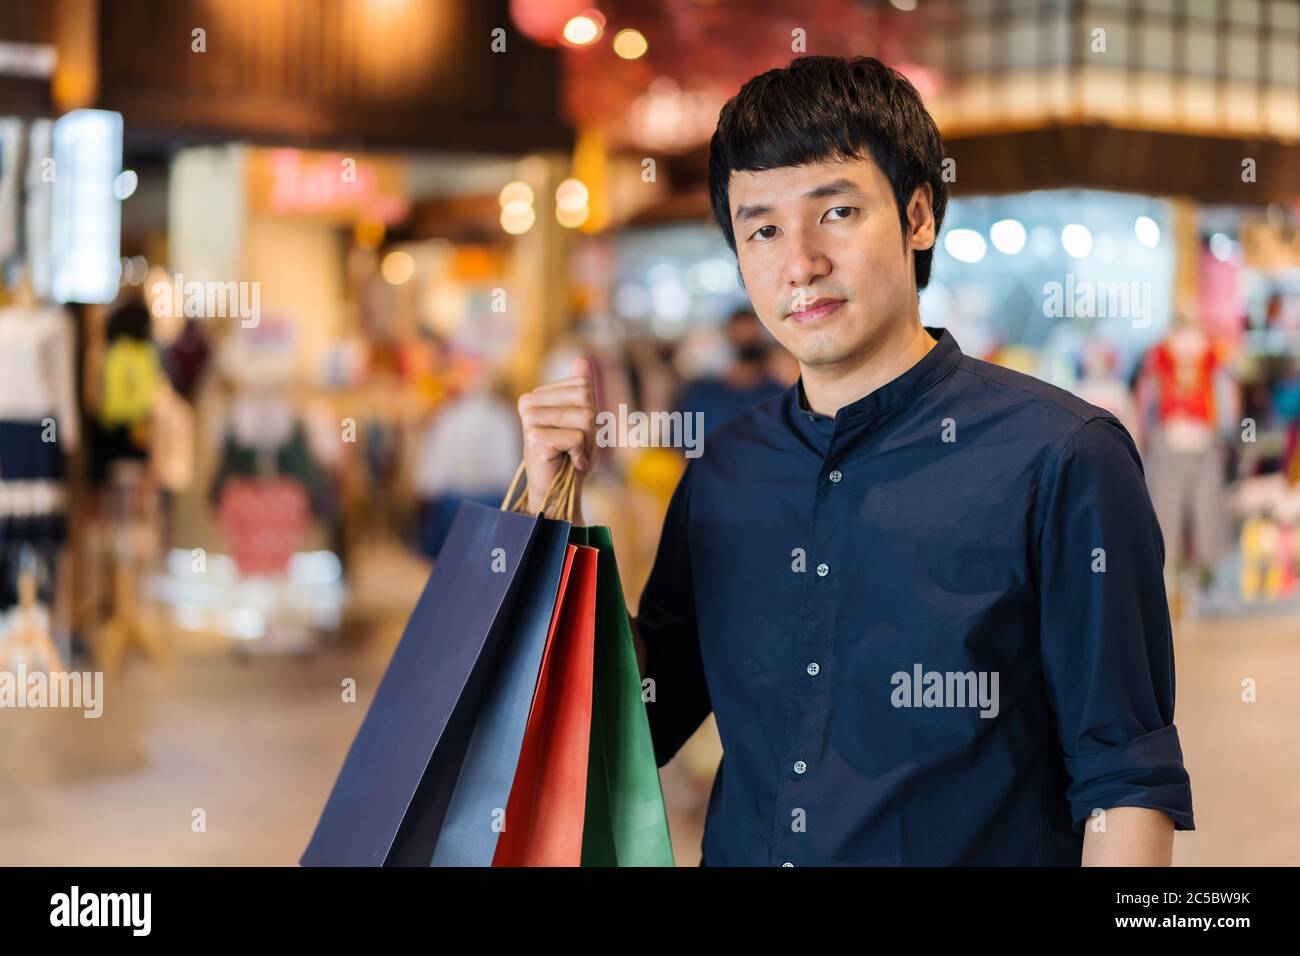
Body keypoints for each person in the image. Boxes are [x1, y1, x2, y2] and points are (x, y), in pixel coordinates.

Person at [516, 55, 1193, 866]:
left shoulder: (1062, 457)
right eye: (761, 229)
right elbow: (640, 722)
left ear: (917, 216)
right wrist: (546, 516)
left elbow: (1124, 781)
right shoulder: (726, 470)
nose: (799, 263)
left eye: (835, 211)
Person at [675, 308, 787, 441]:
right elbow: (683, 447)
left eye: (751, 333)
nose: (746, 336)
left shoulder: (779, 396)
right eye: (740, 333)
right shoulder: (701, 393)